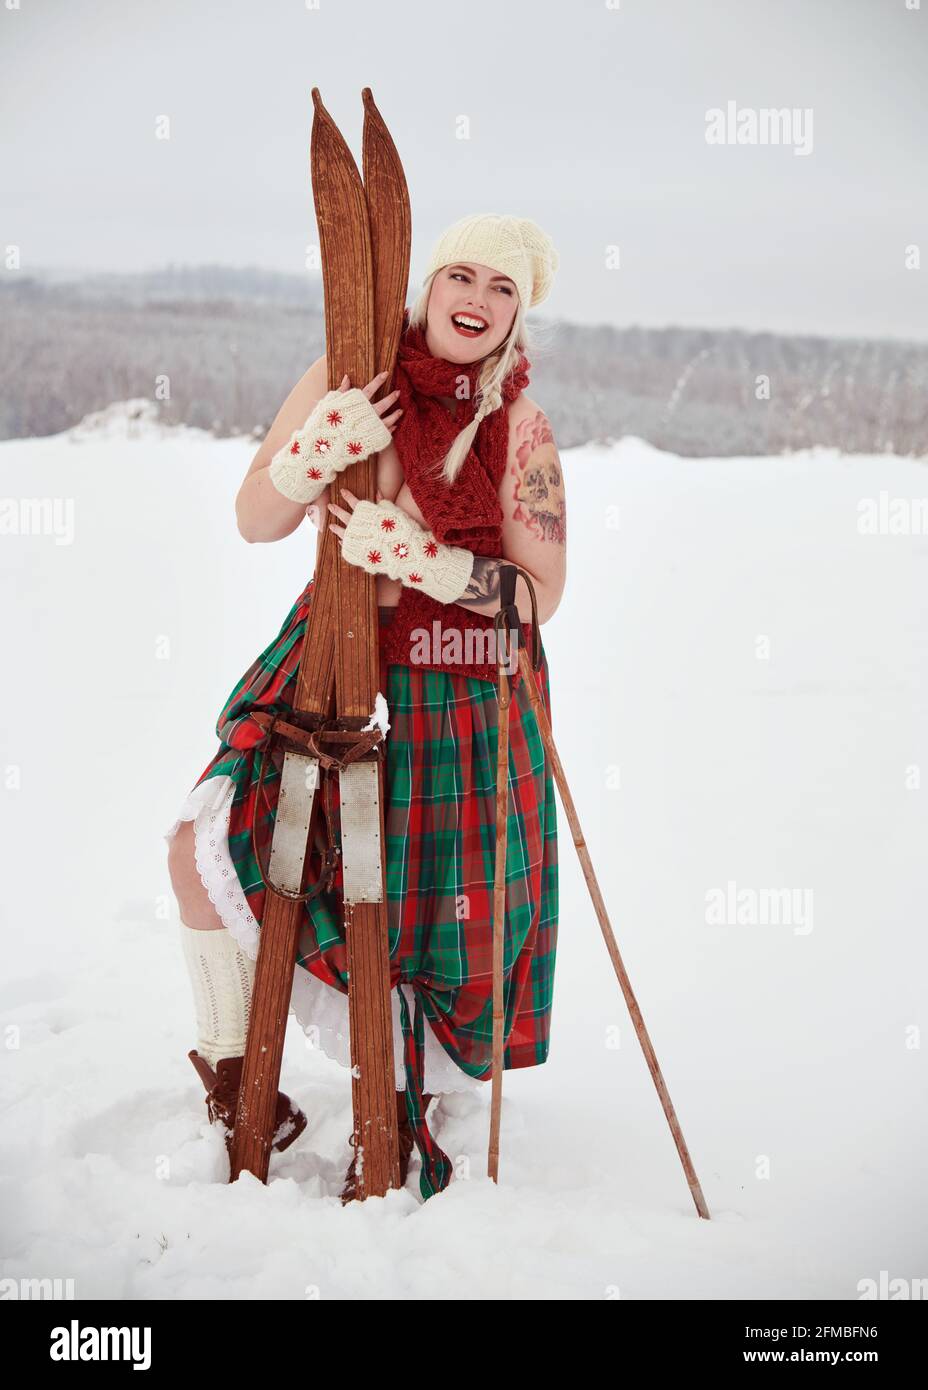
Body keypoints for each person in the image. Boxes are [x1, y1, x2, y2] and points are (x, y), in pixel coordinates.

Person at [165, 213, 567, 1199]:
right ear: (428, 284)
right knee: (201, 843)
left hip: (458, 675)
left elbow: (537, 594)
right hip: (333, 650)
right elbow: (257, 517)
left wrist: (425, 560)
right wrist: (317, 453)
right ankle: (234, 1074)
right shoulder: (351, 372)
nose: (475, 298)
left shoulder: (515, 422)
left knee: (419, 915)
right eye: (460, 275)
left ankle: (397, 1104)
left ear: (519, 312)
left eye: (501, 287)